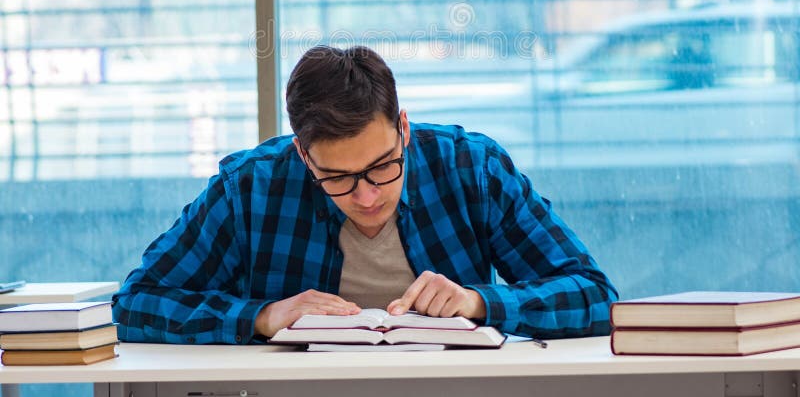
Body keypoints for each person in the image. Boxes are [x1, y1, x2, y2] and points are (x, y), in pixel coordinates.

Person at [113, 45, 617, 343]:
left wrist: (477, 302)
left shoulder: (472, 168)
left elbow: (594, 296)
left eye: (382, 167)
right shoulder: (249, 188)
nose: (368, 197)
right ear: (303, 154)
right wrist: (263, 317)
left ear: (404, 128)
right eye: (337, 178)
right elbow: (135, 304)